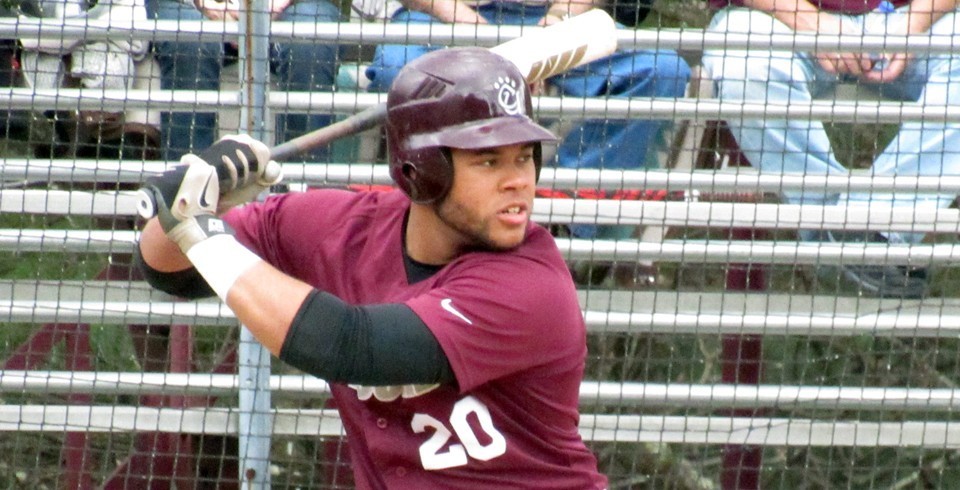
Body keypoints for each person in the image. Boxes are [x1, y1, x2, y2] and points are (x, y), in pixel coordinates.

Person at [134, 47, 608, 488]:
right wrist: (188, 202)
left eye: (525, 158)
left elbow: (349, 345)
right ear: (420, 168)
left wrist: (199, 230)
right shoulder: (343, 228)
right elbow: (170, 271)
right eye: (488, 161)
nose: (517, 182)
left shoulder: (530, 287)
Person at [363, 0, 691, 286]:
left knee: (664, 70)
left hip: (553, 23)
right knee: (399, 72)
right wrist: (475, 29)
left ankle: (564, 229)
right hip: (443, 18)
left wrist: (550, 28)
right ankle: (424, 232)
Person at [701, 0, 960, 298]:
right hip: (777, 15)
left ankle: (867, 229)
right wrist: (809, 19)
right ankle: (846, 236)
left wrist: (915, 23)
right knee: (745, 65)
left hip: (912, 18)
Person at [146, 0, 341, 162]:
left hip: (292, 7)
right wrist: (205, 3)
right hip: (187, 6)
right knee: (192, 40)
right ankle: (188, 192)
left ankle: (303, 197)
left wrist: (270, 5)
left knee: (310, 43)